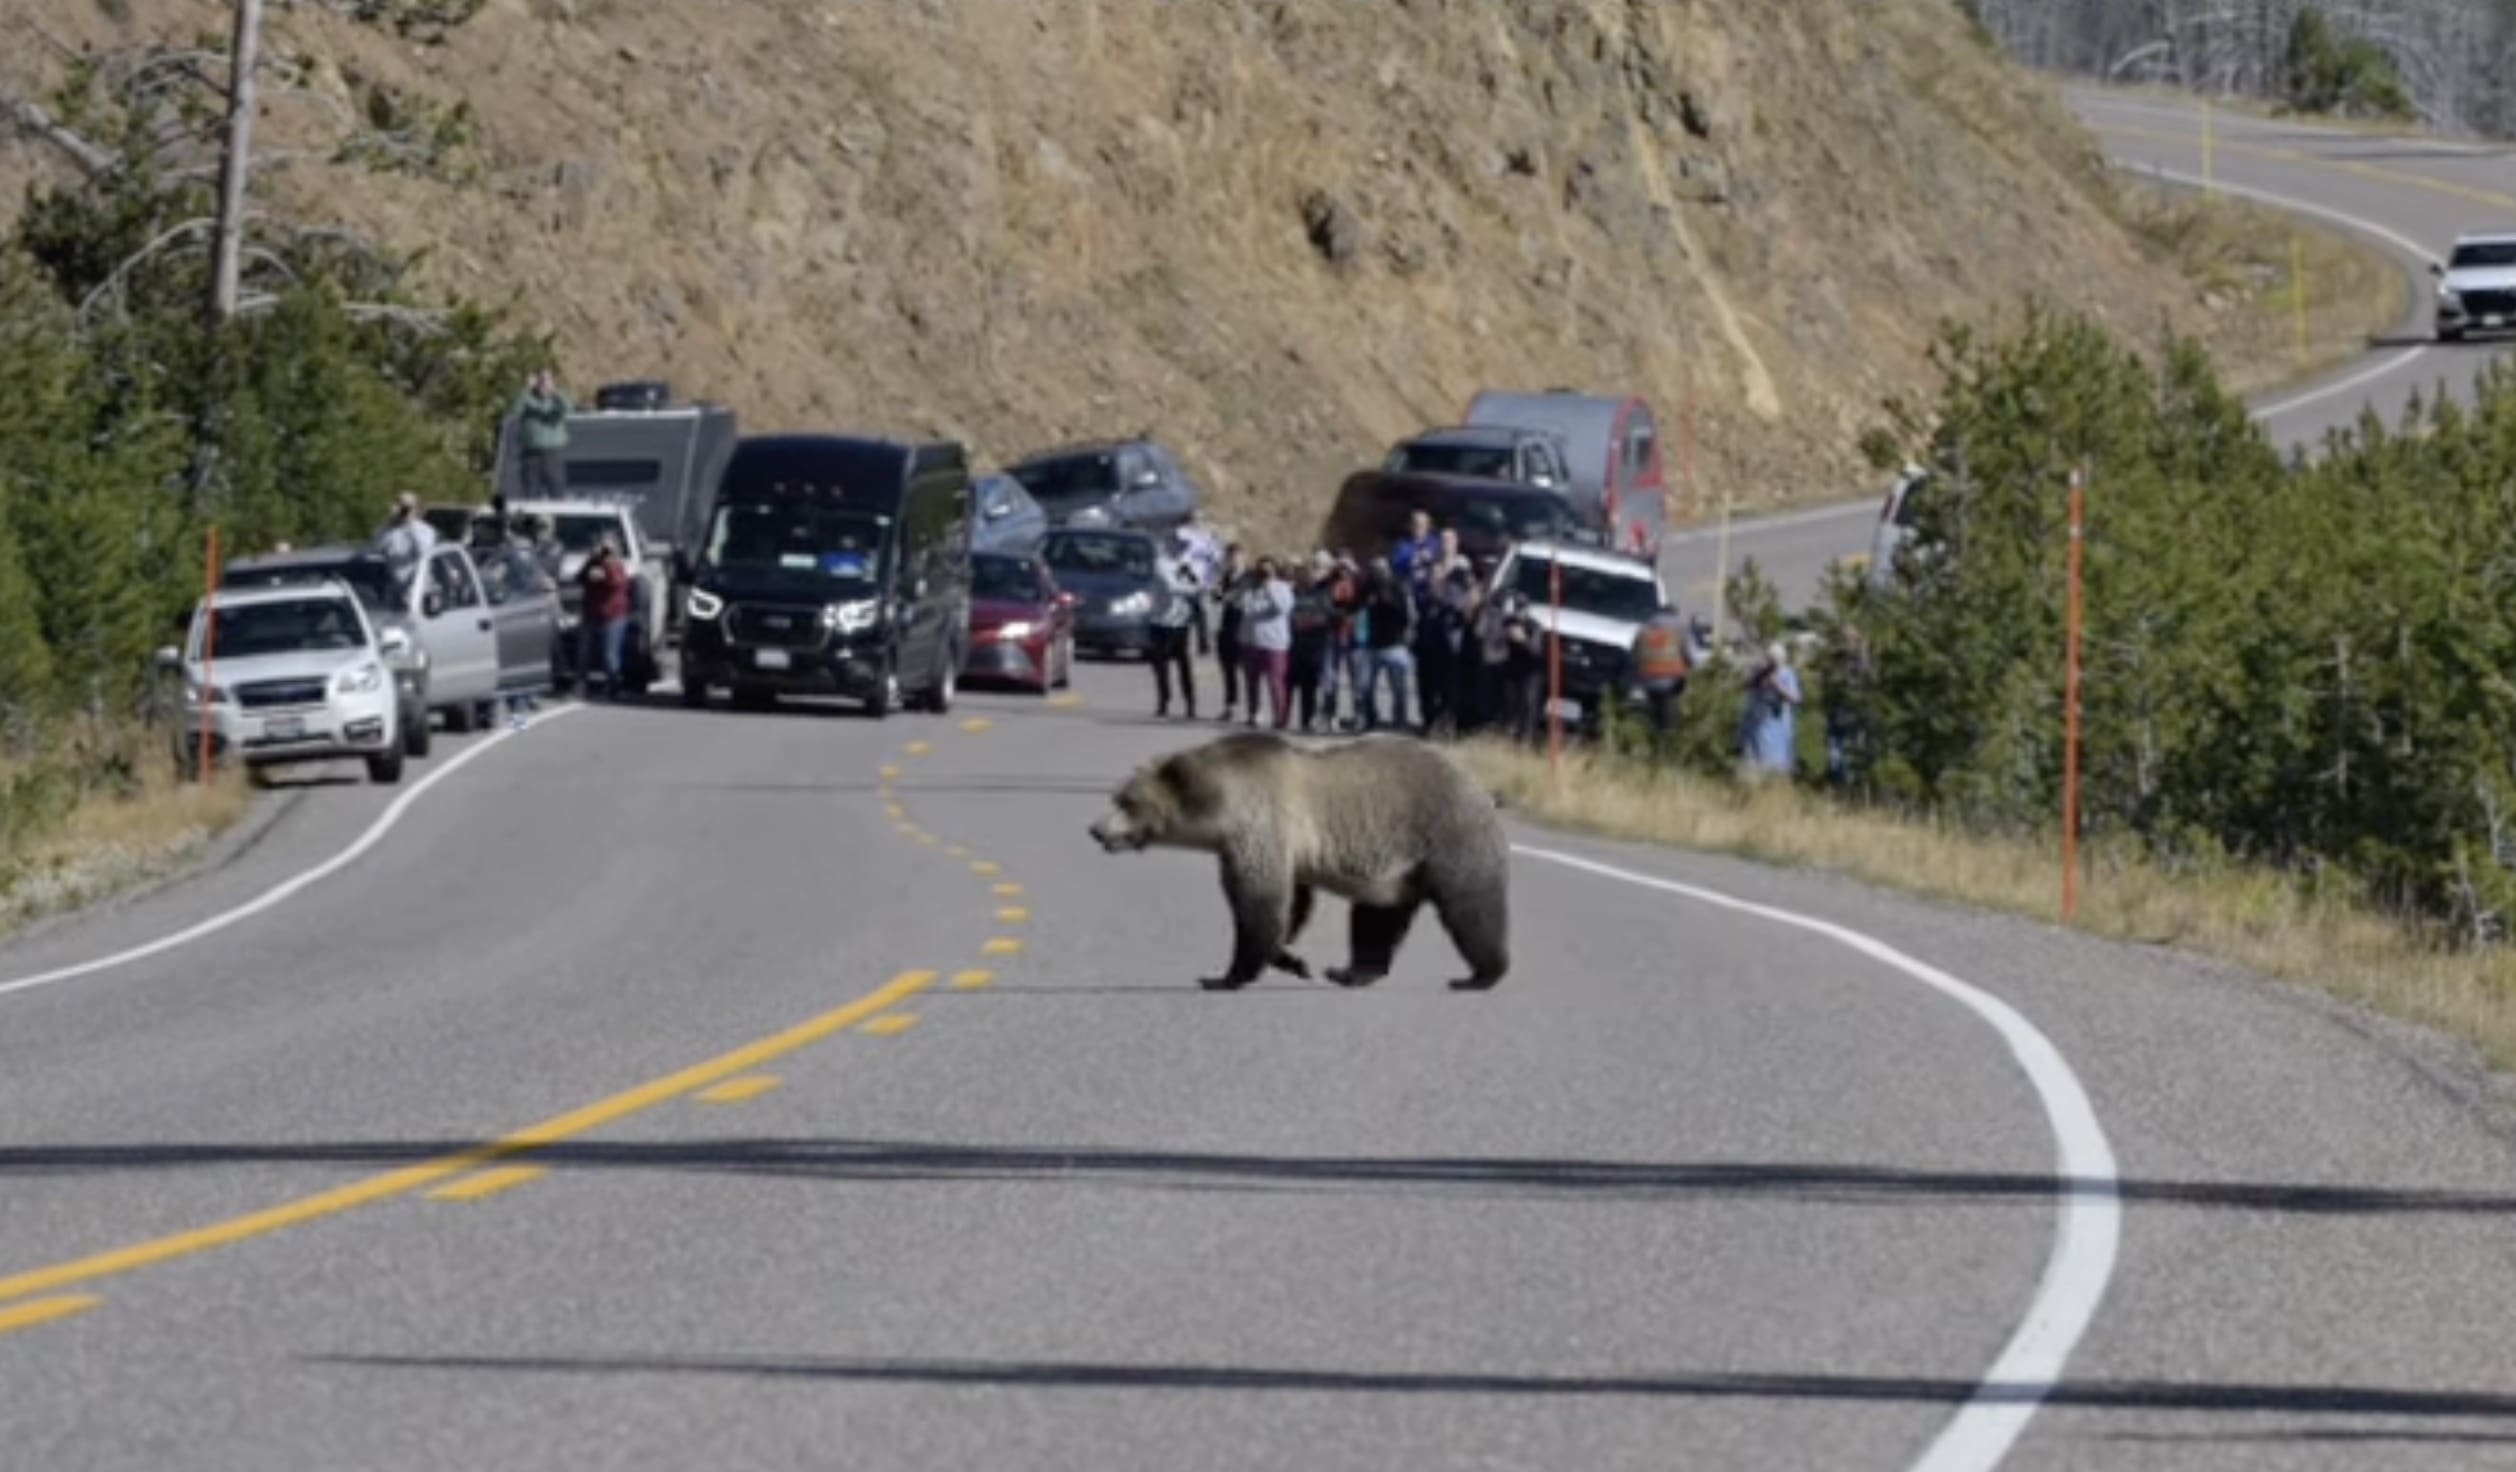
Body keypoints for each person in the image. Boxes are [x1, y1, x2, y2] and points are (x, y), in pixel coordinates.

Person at [1357, 558, 1415, 731]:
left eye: (1380, 570)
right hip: (1373, 645)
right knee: (1365, 686)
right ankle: (1370, 719)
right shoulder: (1368, 589)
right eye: (1374, 570)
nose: (1377, 574)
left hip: (1394, 645)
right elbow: (1356, 605)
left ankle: (1400, 721)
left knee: (1399, 688)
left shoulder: (1397, 588)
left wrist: (1386, 600)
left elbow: (1404, 615)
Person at [1629, 599, 1692, 759]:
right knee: (1669, 726)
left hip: (1646, 683)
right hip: (1671, 684)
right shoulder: (1679, 628)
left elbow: (1634, 656)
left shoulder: (1644, 629)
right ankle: (1666, 755)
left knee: (1650, 721)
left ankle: (1648, 749)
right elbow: (1692, 656)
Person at [1147, 534, 1202, 719]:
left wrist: (1195, 583)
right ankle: (1163, 701)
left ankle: (1190, 703)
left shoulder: (1187, 565)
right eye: (1178, 545)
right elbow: (1171, 587)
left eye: (1184, 546)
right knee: (1161, 666)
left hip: (1181, 622)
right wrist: (1194, 589)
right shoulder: (1160, 564)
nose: (1181, 549)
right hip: (1161, 621)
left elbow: (1199, 582)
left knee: (1184, 666)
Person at [1238, 555, 1295, 730]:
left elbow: (1282, 608)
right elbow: (1244, 608)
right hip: (1250, 640)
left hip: (1274, 643)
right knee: (1251, 682)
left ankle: (1280, 718)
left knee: (1275, 682)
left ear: (1274, 571)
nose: (1263, 573)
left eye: (1267, 570)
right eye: (1260, 570)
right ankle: (1254, 713)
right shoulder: (1250, 589)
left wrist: (1269, 586)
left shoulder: (1282, 588)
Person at [578, 536, 632, 699]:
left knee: (610, 654)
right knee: (584, 652)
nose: (604, 554)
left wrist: (606, 570)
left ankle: (613, 686)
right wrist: (590, 562)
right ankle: (581, 684)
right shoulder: (593, 563)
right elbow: (579, 578)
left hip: (613, 615)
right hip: (592, 613)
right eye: (602, 551)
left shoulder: (617, 566)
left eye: (607, 551)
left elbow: (617, 583)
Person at [1287, 555, 1337, 733]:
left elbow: (1330, 615)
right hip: (1299, 645)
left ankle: (1330, 716)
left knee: (1327, 683)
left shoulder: (1325, 591)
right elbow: (1289, 616)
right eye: (1307, 574)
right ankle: (1306, 720)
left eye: (1314, 572)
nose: (1309, 576)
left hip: (1320, 645)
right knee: (1306, 686)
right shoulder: (1294, 593)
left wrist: (1309, 621)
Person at [1740, 639, 1802, 778]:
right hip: (1758, 722)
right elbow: (1745, 684)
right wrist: (1759, 678)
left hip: (1778, 724)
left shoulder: (1787, 674)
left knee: (1778, 762)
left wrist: (1779, 687)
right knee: (1755, 759)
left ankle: (1776, 786)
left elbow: (1796, 698)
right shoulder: (1759, 671)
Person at [513, 369, 573, 499]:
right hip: (531, 456)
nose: (543, 384)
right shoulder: (527, 398)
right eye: (540, 380)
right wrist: (526, 389)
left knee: (557, 493)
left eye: (546, 380)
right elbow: (516, 411)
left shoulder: (556, 399)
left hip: (552, 455)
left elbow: (569, 408)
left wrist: (555, 391)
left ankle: (558, 517)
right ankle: (532, 518)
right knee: (530, 495)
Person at [1211, 542, 1250, 722]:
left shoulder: (1249, 579)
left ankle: (1254, 708)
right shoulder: (1224, 578)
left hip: (1244, 628)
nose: (1233, 561)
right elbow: (1215, 598)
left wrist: (1227, 597)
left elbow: (1240, 599)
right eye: (1230, 557)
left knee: (1248, 671)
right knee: (1228, 670)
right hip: (1225, 628)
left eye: (1237, 557)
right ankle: (1230, 705)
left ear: (1243, 558)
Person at [377, 492, 437, 583]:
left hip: (417, 584)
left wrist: (410, 525)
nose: (404, 510)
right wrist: (391, 523)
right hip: (392, 582)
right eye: (401, 505)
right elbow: (377, 548)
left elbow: (424, 552)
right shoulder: (387, 529)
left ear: (416, 509)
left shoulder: (425, 530)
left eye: (407, 507)